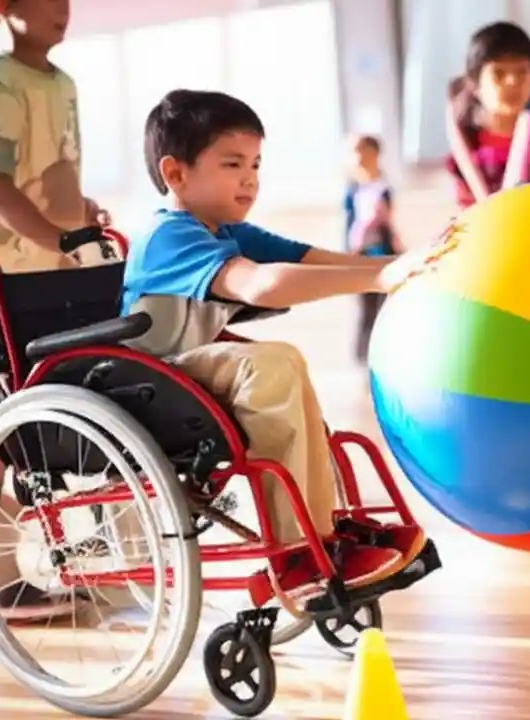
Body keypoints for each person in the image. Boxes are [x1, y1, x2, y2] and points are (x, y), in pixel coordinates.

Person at [124, 89, 434, 612]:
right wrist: (381, 275)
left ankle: (324, 533)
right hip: (154, 382)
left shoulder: (224, 230)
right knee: (277, 362)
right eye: (232, 164)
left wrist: (399, 269)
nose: (250, 178)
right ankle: (296, 554)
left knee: (286, 369)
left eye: (256, 164)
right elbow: (262, 284)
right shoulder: (168, 237)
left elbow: (314, 259)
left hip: (184, 372)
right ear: (176, 174)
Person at [0, 0, 113, 620]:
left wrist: (81, 212)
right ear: (1, 6)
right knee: (2, 411)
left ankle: (72, 543)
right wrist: (58, 236)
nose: (60, 10)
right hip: (9, 276)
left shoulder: (62, 83)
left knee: (61, 401)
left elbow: (52, 175)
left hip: (59, 266)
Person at [446, 21, 530, 209]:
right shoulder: (468, 144)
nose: (512, 82)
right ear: (475, 83)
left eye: (522, 71)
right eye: (499, 73)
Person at [342, 134, 402, 362]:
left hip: (382, 251)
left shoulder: (383, 186)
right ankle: (363, 361)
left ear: (374, 153)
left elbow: (389, 222)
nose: (356, 157)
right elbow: (347, 224)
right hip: (360, 254)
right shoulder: (352, 189)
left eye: (360, 150)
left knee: (385, 308)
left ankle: (385, 355)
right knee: (365, 311)